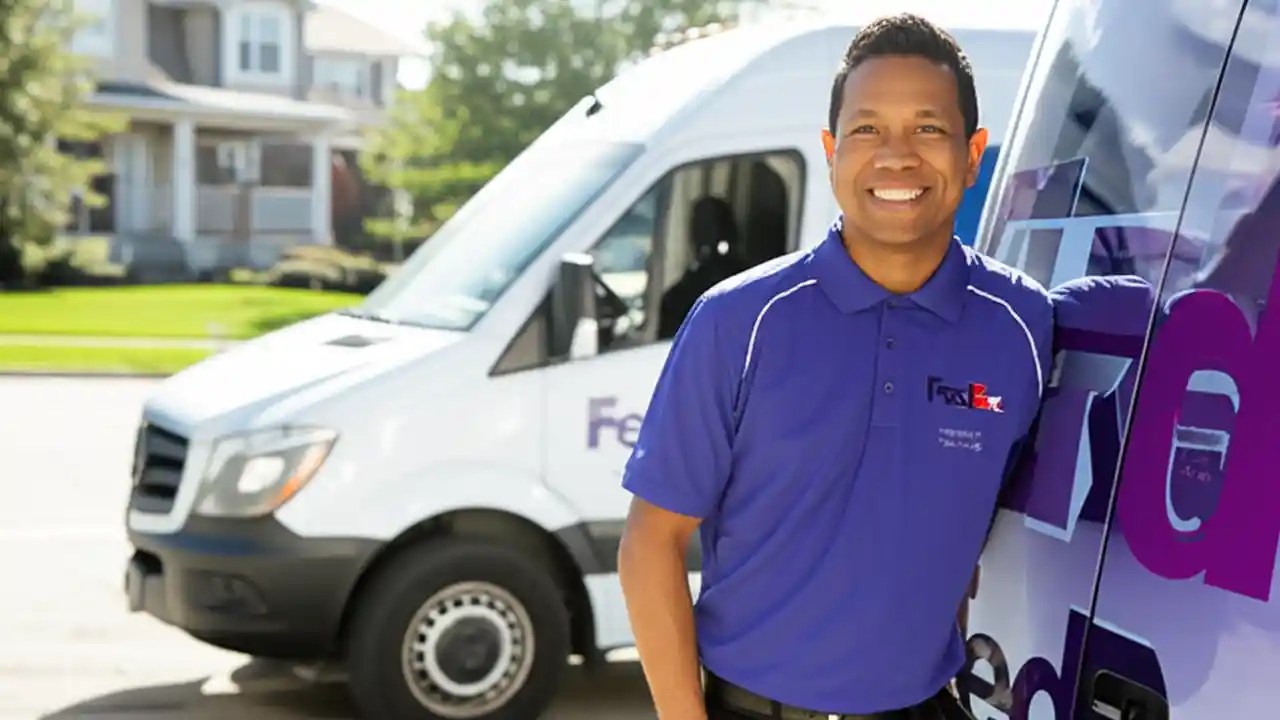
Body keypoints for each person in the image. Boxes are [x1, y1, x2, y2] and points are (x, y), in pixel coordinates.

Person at [616, 13, 1055, 720]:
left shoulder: (1022, 327)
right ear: (832, 150)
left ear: (974, 155)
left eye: (928, 129)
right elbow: (649, 545)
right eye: (867, 129)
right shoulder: (738, 322)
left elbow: (975, 533)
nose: (897, 156)